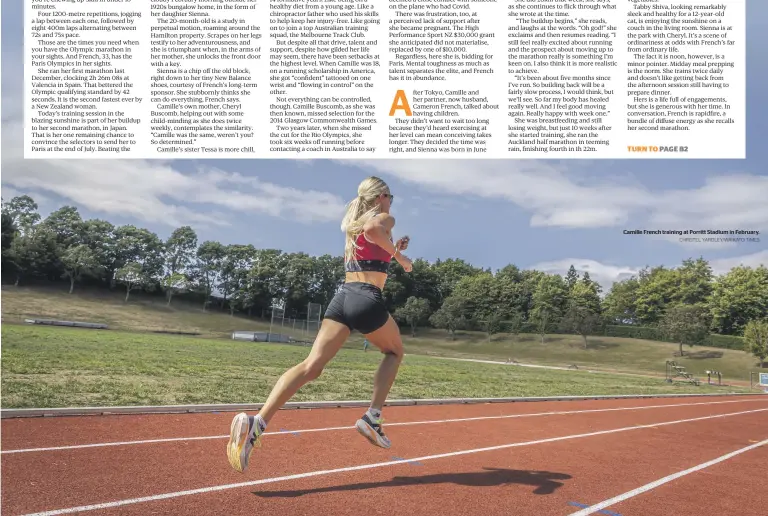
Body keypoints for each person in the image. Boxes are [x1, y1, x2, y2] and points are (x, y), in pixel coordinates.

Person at [227, 176, 413, 473]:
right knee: (395, 352)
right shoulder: (381, 217)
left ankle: (256, 423)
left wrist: (392, 247)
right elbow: (375, 228)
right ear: (380, 197)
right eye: (390, 195)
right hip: (366, 298)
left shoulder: (353, 226)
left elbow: (372, 239)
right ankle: (372, 418)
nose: (392, 201)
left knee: (311, 366)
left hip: (343, 298)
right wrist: (402, 258)